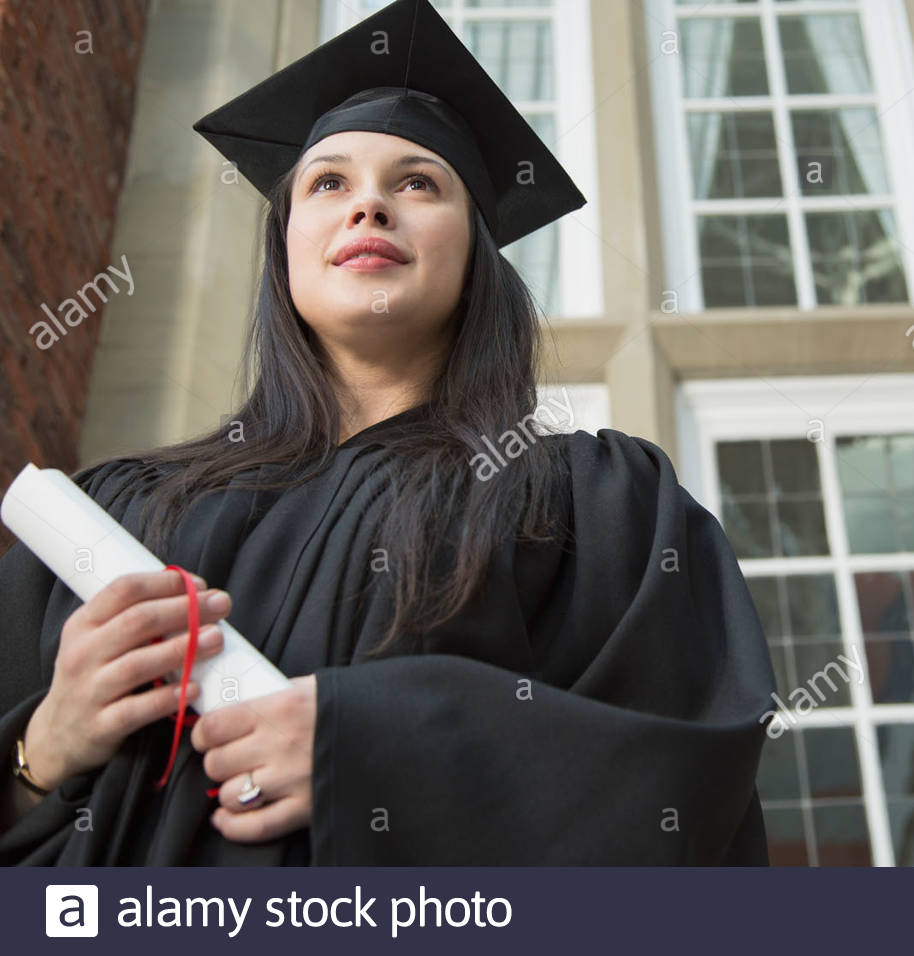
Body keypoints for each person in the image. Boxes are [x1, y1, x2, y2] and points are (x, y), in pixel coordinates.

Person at [0, 0, 777, 865]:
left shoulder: (589, 510)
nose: (368, 204)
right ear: (286, 242)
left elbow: (679, 788)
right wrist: (40, 755)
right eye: (328, 182)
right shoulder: (123, 513)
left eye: (417, 182)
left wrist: (391, 750)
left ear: (477, 248)